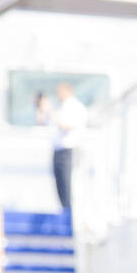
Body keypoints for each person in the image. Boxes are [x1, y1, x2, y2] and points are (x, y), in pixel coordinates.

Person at [50, 83, 87, 213]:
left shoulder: (74, 107)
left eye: (59, 92)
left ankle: (69, 212)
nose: (58, 95)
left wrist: (52, 115)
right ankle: (64, 210)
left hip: (68, 149)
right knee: (60, 182)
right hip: (59, 148)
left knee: (67, 183)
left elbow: (66, 125)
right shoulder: (61, 107)